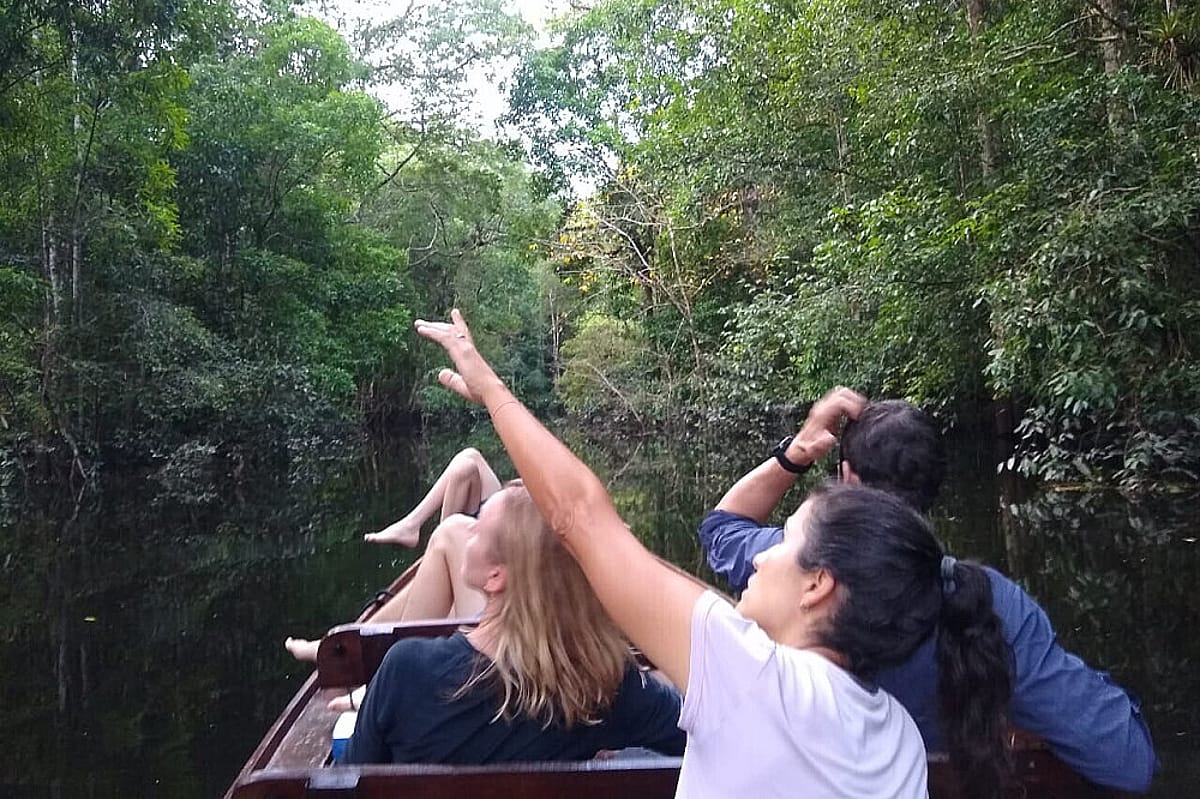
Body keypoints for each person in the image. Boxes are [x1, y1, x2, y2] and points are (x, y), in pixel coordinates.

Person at [415, 310, 1016, 798]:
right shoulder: (898, 737)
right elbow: (645, 562)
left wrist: (490, 387)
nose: (761, 558)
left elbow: (579, 516)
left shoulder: (754, 679)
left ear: (818, 586)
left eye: (785, 544)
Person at [699, 392, 1158, 793]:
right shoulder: (993, 601)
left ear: (848, 480)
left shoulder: (793, 570)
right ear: (935, 485)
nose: (765, 559)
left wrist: (796, 453)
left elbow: (721, 527)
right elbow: (1128, 762)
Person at [341, 480, 686, 764]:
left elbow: (347, 784)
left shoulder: (405, 670)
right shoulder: (607, 684)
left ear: (495, 577)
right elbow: (696, 734)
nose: (467, 527)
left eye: (477, 526)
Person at [284, 448, 498, 662]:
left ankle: (359, 652)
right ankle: (414, 531)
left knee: (449, 531)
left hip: (497, 618)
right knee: (467, 462)